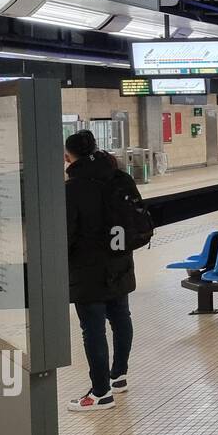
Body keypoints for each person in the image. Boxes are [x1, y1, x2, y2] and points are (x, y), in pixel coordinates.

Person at [64, 130, 136, 413]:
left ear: (69, 157)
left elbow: (67, 233)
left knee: (92, 328)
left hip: (88, 270)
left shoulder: (73, 189)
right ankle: (118, 376)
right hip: (120, 260)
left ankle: (100, 393)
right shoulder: (119, 177)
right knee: (121, 316)